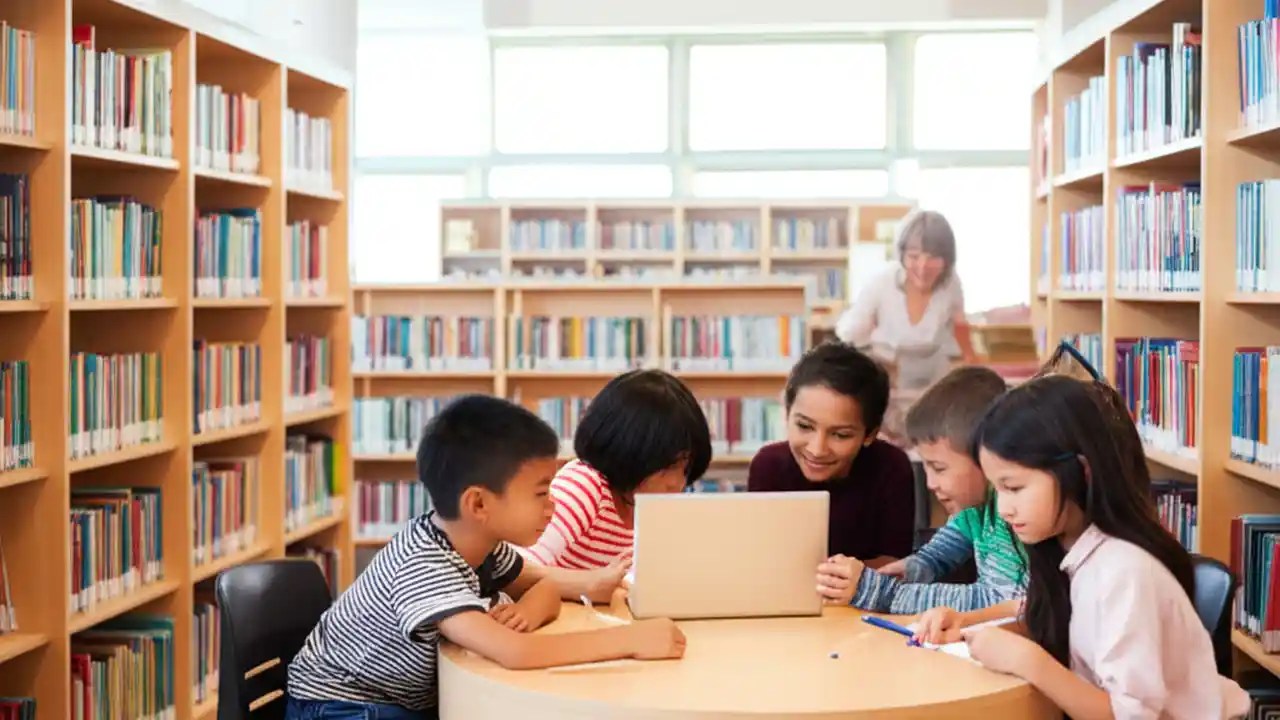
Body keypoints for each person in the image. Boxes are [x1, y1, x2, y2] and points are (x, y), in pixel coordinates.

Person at [285, 395, 686, 720]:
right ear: (478, 503)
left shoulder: (481, 547)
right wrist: (630, 640)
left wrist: (528, 610)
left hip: (399, 701)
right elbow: (515, 652)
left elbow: (543, 585)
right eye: (541, 493)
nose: (553, 506)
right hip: (341, 706)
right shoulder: (422, 565)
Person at [957, 375, 1250, 719]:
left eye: (1014, 487)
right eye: (997, 490)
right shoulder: (1069, 548)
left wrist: (1028, 661)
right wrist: (970, 625)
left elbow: (1130, 716)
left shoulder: (1124, 571)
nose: (1004, 509)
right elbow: (1051, 614)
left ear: (1080, 471)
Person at [819, 366, 1026, 620]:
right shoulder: (975, 508)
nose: (930, 483)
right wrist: (914, 568)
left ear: (987, 459)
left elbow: (999, 602)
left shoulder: (1015, 515)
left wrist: (886, 594)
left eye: (939, 468)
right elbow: (940, 553)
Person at [523, 369, 712, 600]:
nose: (677, 482)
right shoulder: (584, 485)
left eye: (685, 466)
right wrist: (586, 585)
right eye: (667, 465)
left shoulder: (651, 505)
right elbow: (517, 569)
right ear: (629, 449)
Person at [748, 342, 915, 576]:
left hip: (862, 603)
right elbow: (758, 557)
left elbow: (894, 563)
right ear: (786, 414)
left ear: (870, 434)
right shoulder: (769, 465)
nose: (817, 449)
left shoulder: (892, 467)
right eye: (804, 426)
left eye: (840, 435)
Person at [835, 209, 977, 444]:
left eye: (933, 257)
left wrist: (972, 363)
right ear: (901, 255)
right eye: (913, 256)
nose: (922, 266)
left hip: (931, 383)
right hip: (887, 382)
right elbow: (849, 335)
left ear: (948, 259)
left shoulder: (951, 282)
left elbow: (960, 324)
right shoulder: (881, 282)